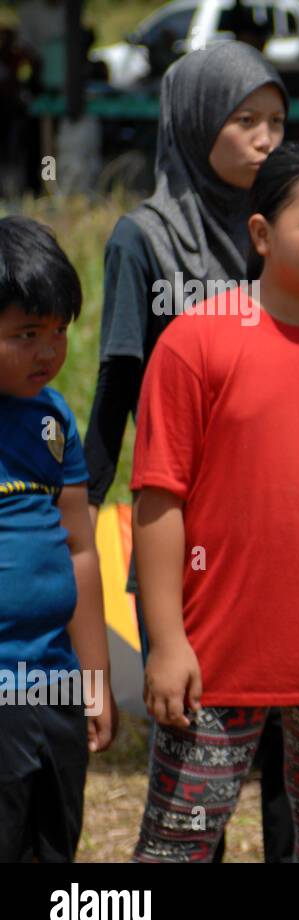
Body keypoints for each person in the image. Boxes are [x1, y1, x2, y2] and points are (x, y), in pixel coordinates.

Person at [129, 143, 299, 863]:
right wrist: (165, 642)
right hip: (215, 658)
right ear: (261, 234)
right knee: (176, 847)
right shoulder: (195, 344)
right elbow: (160, 498)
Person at [81, 42, 296, 863]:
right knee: (195, 755)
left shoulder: (292, 226)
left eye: (277, 121)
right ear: (199, 121)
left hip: (285, 520)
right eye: (245, 121)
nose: (266, 139)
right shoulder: (146, 239)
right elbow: (118, 381)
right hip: (188, 522)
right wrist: (75, 504)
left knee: (295, 756)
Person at [0, 215, 116, 863]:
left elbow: (81, 547)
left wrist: (95, 677)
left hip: (54, 683)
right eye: (25, 334)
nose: (48, 350)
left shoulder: (54, 419)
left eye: (59, 332)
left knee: (55, 836)